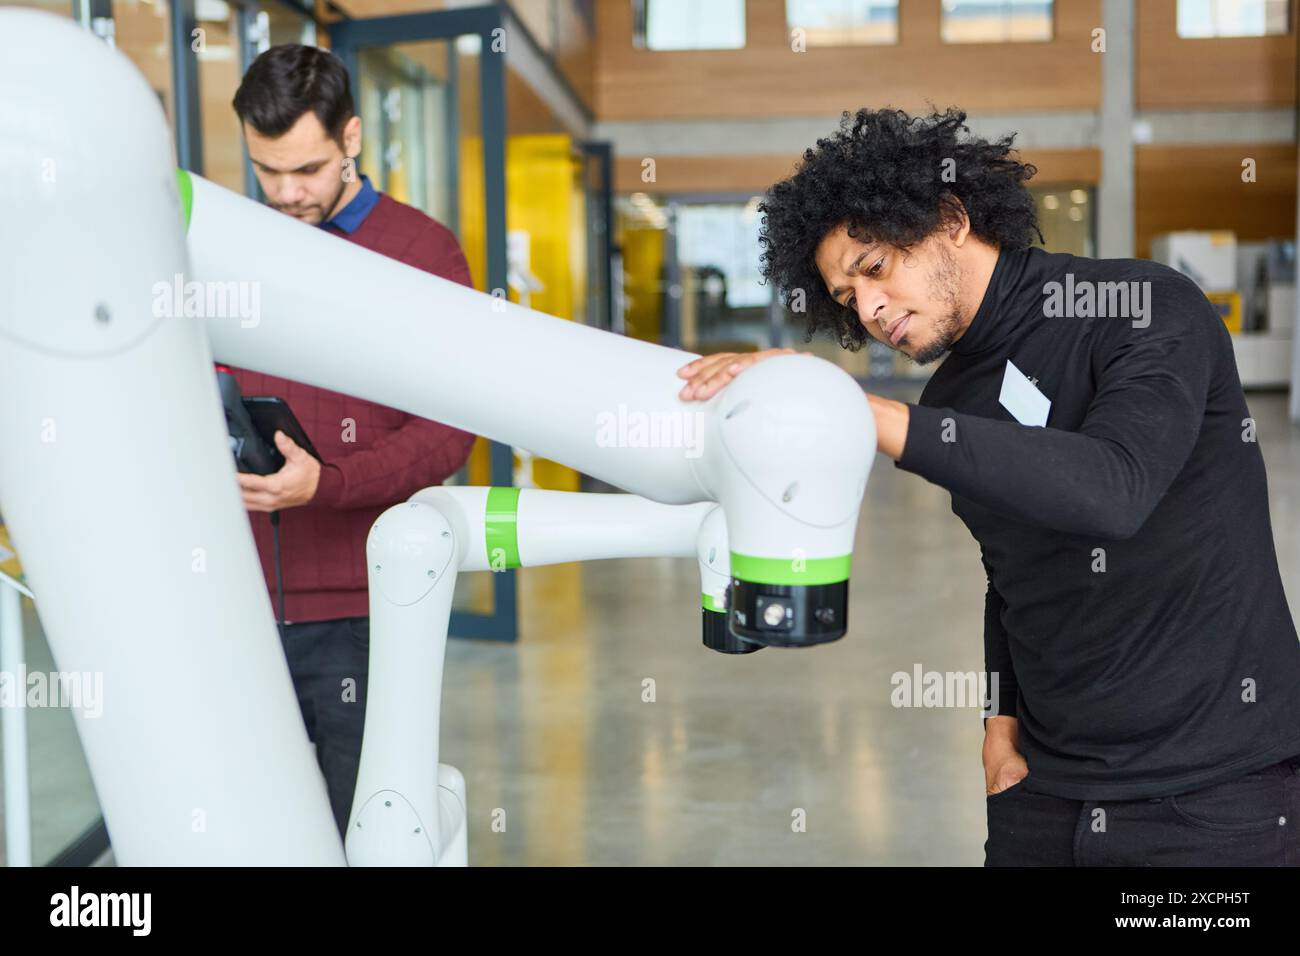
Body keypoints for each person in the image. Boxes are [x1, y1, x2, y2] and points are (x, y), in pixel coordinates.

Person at [677, 107, 1300, 866]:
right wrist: (998, 717)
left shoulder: (1144, 307)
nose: (869, 310)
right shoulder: (949, 399)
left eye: (874, 268)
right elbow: (1011, 570)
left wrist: (857, 409)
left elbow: (1114, 490)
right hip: (1042, 785)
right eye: (845, 299)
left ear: (948, 217)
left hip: (1215, 793)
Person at [228, 44, 477, 838]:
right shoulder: (233, 246)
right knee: (250, 836)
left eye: (305, 168)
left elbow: (446, 436)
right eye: (267, 171)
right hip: (235, 605)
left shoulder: (423, 254)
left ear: (353, 139)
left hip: (364, 616)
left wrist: (325, 483)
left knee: (359, 835)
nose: (286, 193)